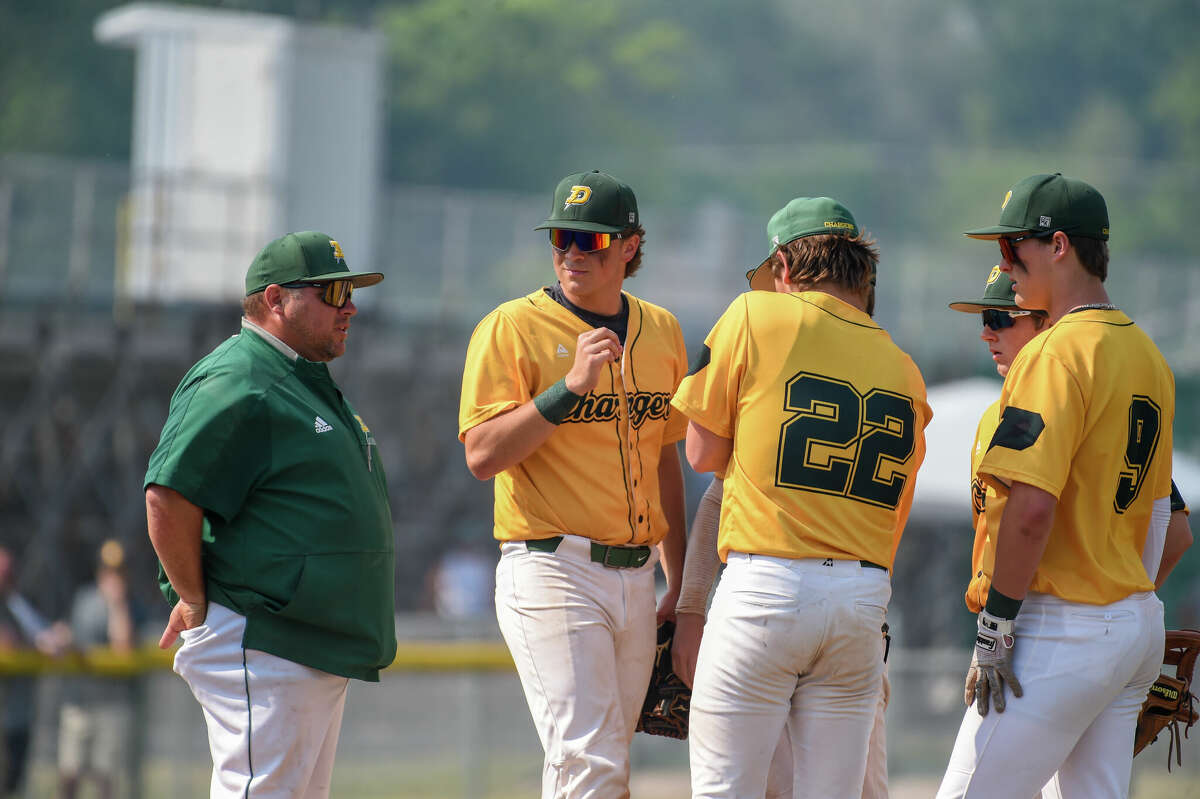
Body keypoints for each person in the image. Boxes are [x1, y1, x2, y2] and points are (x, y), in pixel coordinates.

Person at [671, 196, 931, 798]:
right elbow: (896, 512)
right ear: (862, 274)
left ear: (785, 267)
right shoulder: (905, 369)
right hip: (862, 602)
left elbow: (702, 454)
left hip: (767, 589)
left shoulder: (754, 315)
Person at [937, 173, 1179, 798]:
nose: (1005, 263)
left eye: (1013, 247)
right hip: (1131, 624)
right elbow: (1162, 518)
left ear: (1060, 246)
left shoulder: (1054, 353)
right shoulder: (1146, 355)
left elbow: (1029, 513)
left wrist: (996, 627)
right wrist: (1128, 609)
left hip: (1062, 625)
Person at [458, 169, 688, 798]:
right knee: (587, 756)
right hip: (553, 565)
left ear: (629, 246)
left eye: (590, 240)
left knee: (607, 756)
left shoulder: (662, 330)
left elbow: (664, 454)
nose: (570, 252)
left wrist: (681, 578)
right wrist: (568, 390)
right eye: (561, 236)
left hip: (638, 576)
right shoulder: (511, 327)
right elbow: (481, 454)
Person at [144, 231, 395, 799]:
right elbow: (168, 495)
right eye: (332, 292)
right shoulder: (242, 376)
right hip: (266, 641)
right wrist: (194, 597)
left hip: (303, 643)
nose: (350, 305)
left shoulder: (298, 376)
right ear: (277, 299)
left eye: (350, 290)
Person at [57, 539, 145, 799]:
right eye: (107, 571)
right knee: (69, 773)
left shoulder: (132, 606)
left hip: (113, 705)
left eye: (118, 571)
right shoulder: (84, 599)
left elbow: (123, 646)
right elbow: (69, 633)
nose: (112, 577)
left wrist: (117, 604)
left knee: (104, 777)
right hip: (79, 699)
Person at [0, 546, 66, 798]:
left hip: (16, 714)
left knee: (12, 782)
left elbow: (43, 635)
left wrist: (54, 637)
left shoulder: (17, 604)